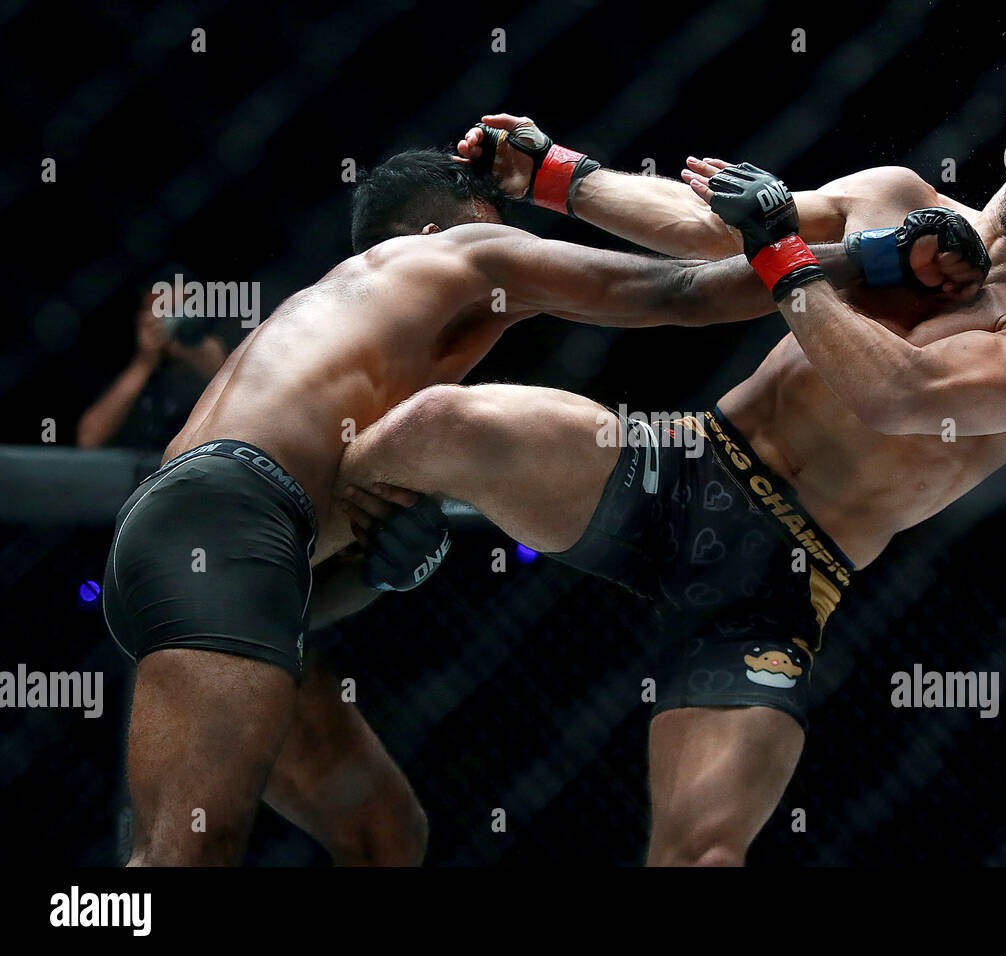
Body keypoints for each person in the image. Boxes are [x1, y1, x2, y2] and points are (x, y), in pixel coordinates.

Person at [337, 91, 1006, 864]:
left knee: (704, 852)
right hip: (686, 465)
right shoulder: (894, 199)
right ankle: (272, 570)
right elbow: (706, 230)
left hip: (782, 578)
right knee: (433, 424)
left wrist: (783, 253)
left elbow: (901, 395)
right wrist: (553, 171)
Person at [101, 146, 805, 866]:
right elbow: (686, 291)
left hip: (204, 547)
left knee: (385, 837)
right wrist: (855, 257)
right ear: (462, 221)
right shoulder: (461, 249)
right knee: (183, 860)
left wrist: (377, 574)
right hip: (228, 522)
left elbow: (294, 599)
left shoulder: (349, 348)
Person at [77, 281, 227, 450]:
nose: (173, 322)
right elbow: (88, 439)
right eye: (162, 314)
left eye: (180, 313)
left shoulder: (211, 352)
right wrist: (144, 363)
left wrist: (200, 354)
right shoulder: (124, 364)